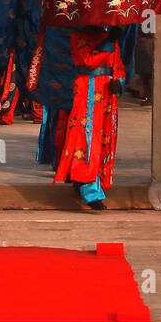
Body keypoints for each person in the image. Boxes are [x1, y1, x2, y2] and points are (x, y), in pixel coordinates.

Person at [53, 25, 126, 210]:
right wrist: (108, 43)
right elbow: (88, 60)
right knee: (86, 138)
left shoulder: (109, 36)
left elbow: (118, 66)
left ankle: (92, 182)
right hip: (88, 90)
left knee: (104, 140)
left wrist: (120, 82)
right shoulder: (78, 36)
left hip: (108, 93)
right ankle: (89, 189)